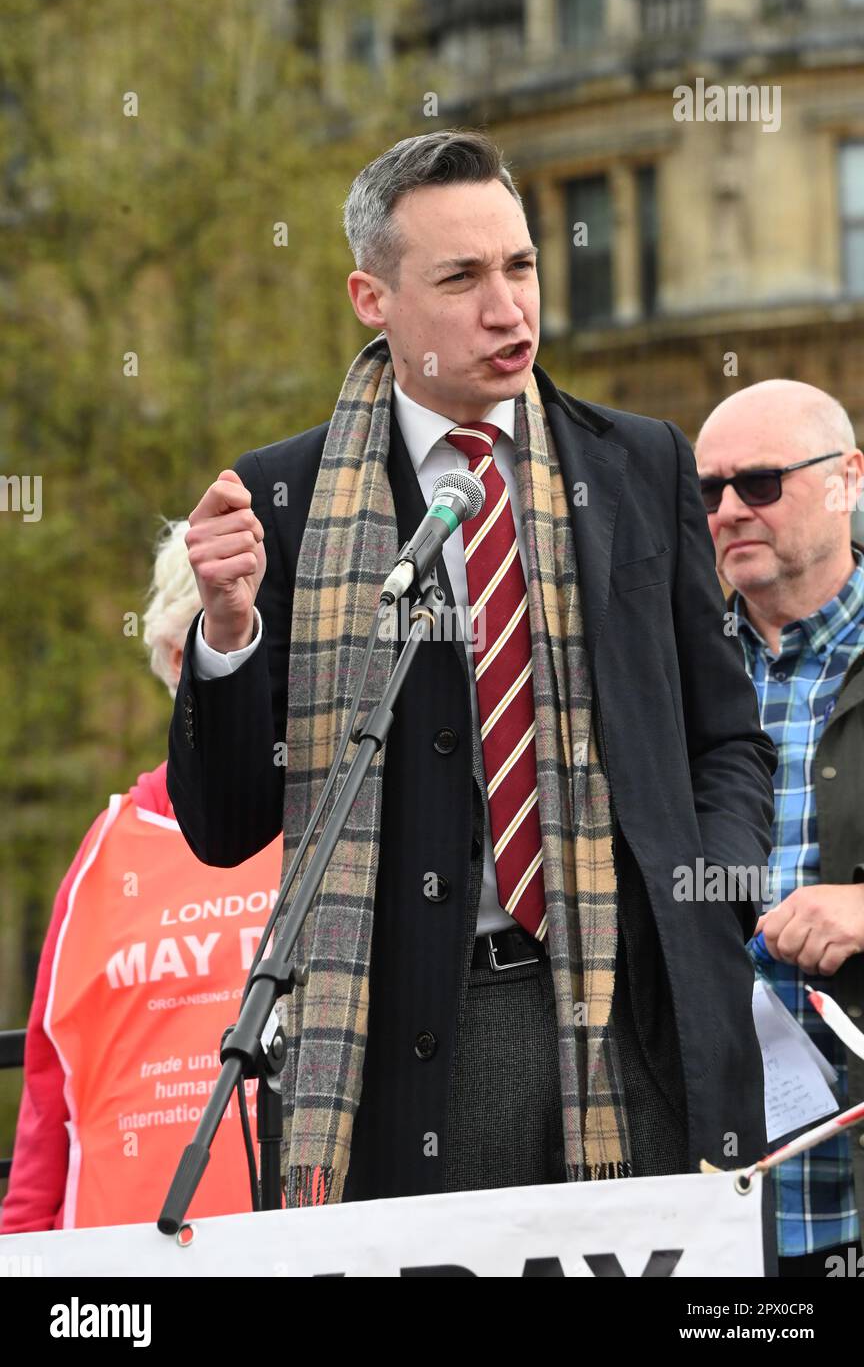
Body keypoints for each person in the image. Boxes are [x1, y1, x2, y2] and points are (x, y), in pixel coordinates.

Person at [167, 129, 777, 1211]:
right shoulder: (283, 500)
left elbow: (724, 734)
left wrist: (710, 901)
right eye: (462, 278)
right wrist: (225, 631)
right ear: (373, 297)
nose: (509, 309)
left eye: (522, 266)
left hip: (645, 1015)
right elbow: (222, 825)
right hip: (424, 1042)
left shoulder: (638, 463)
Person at [0, 522, 282, 1231]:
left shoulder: (340, 819)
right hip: (122, 1278)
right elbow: (49, 1097)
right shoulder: (107, 851)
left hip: (310, 1250)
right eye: (222, 641)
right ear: (179, 657)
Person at [696, 379, 864, 1277]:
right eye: (707, 491)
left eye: (760, 483)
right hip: (713, 1201)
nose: (727, 510)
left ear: (848, 480)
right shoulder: (663, 668)